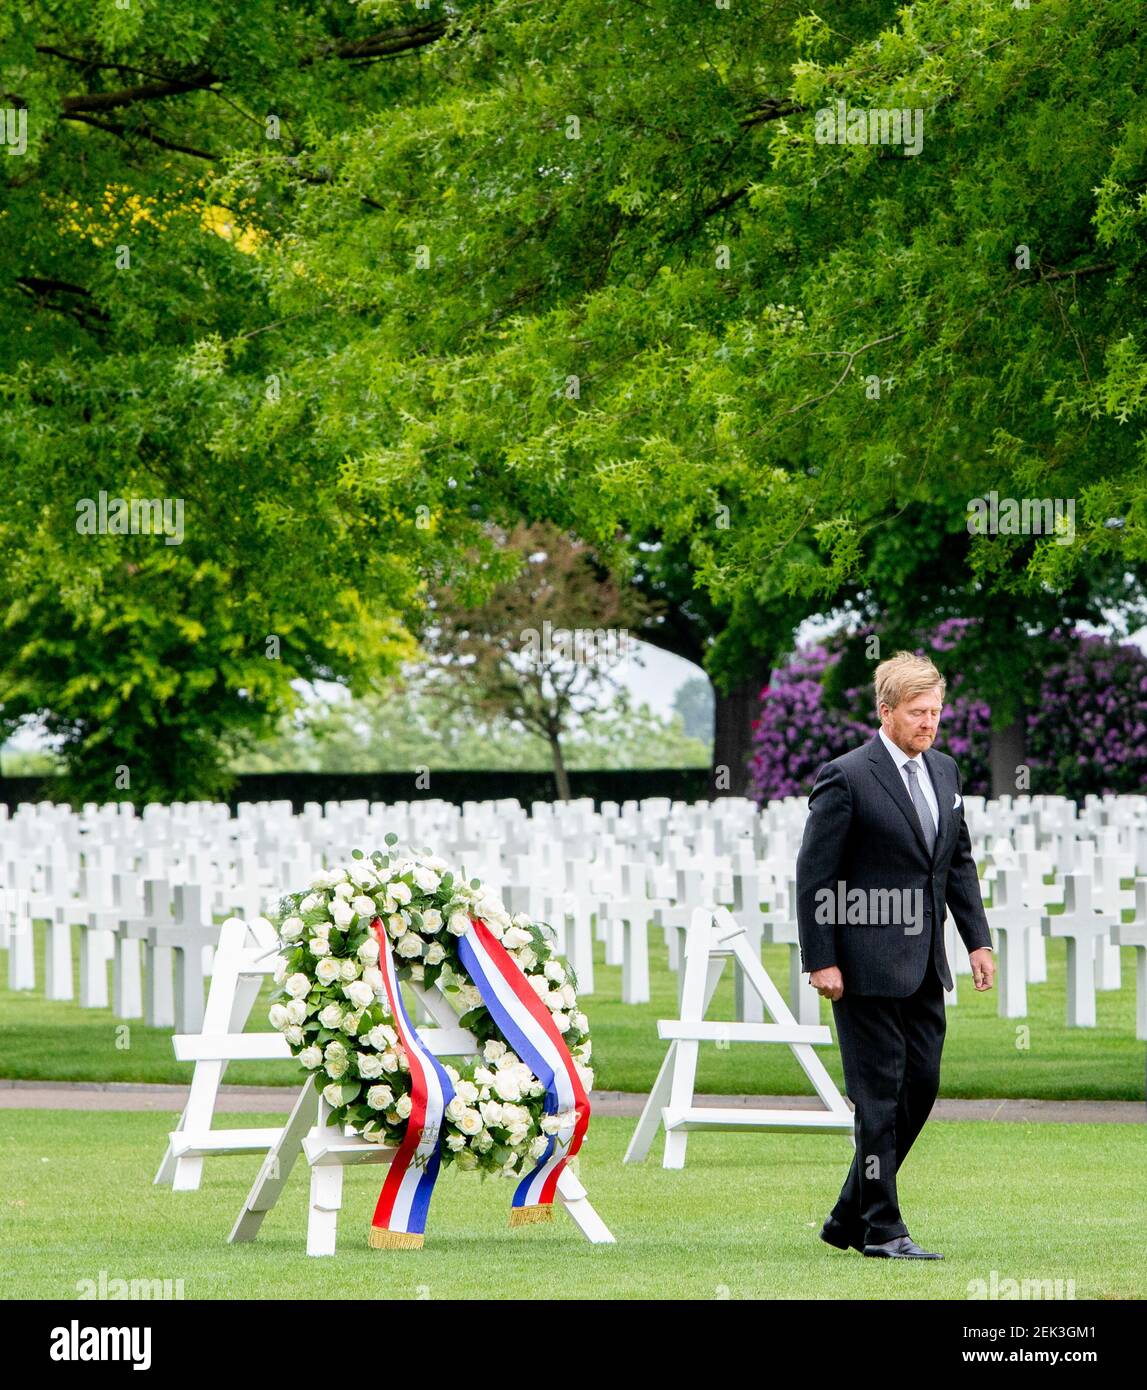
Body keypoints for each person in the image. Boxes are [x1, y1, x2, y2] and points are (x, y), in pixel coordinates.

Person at [795, 651, 995, 1259]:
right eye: (917, 712)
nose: (929, 722)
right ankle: (882, 1228)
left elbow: (954, 863)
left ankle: (845, 1214)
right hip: (862, 966)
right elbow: (814, 875)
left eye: (935, 712)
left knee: (922, 1087)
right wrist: (820, 958)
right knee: (879, 1098)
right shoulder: (847, 776)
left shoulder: (945, 772)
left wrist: (977, 940)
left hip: (925, 967)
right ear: (886, 712)